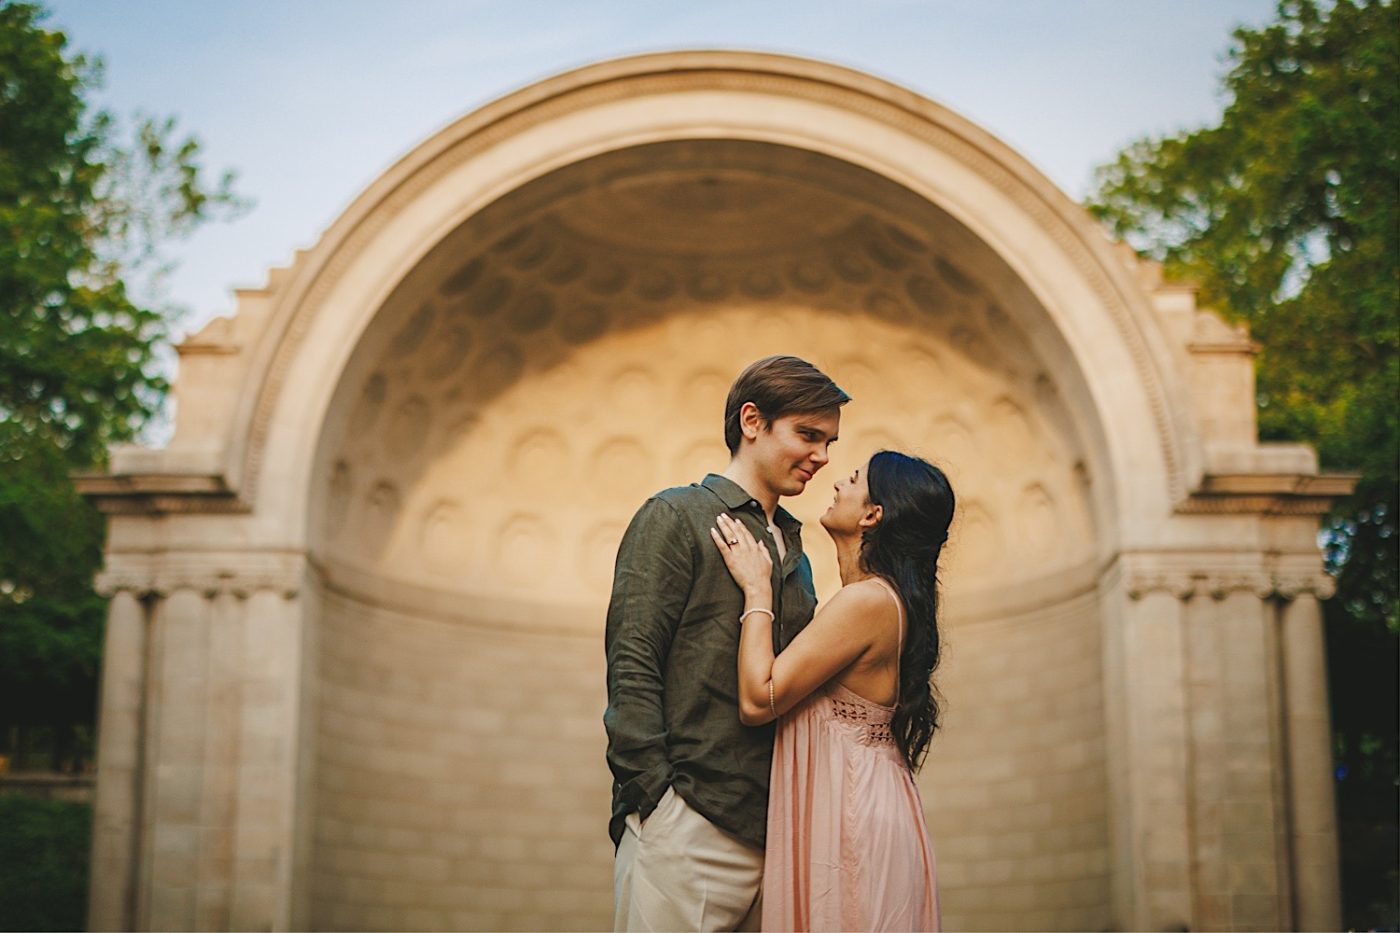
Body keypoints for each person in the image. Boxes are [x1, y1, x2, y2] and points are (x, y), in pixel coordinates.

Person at [604, 355, 851, 931]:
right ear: (752, 421)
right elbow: (633, 665)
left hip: (780, 834)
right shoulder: (674, 515)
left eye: (829, 442)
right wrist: (655, 799)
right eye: (808, 435)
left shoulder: (796, 549)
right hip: (686, 825)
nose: (822, 456)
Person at [711, 449, 953, 931]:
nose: (839, 483)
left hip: (854, 818)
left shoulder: (867, 601)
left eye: (855, 479)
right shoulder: (875, 600)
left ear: (873, 515)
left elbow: (760, 698)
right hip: (854, 807)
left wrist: (758, 591)